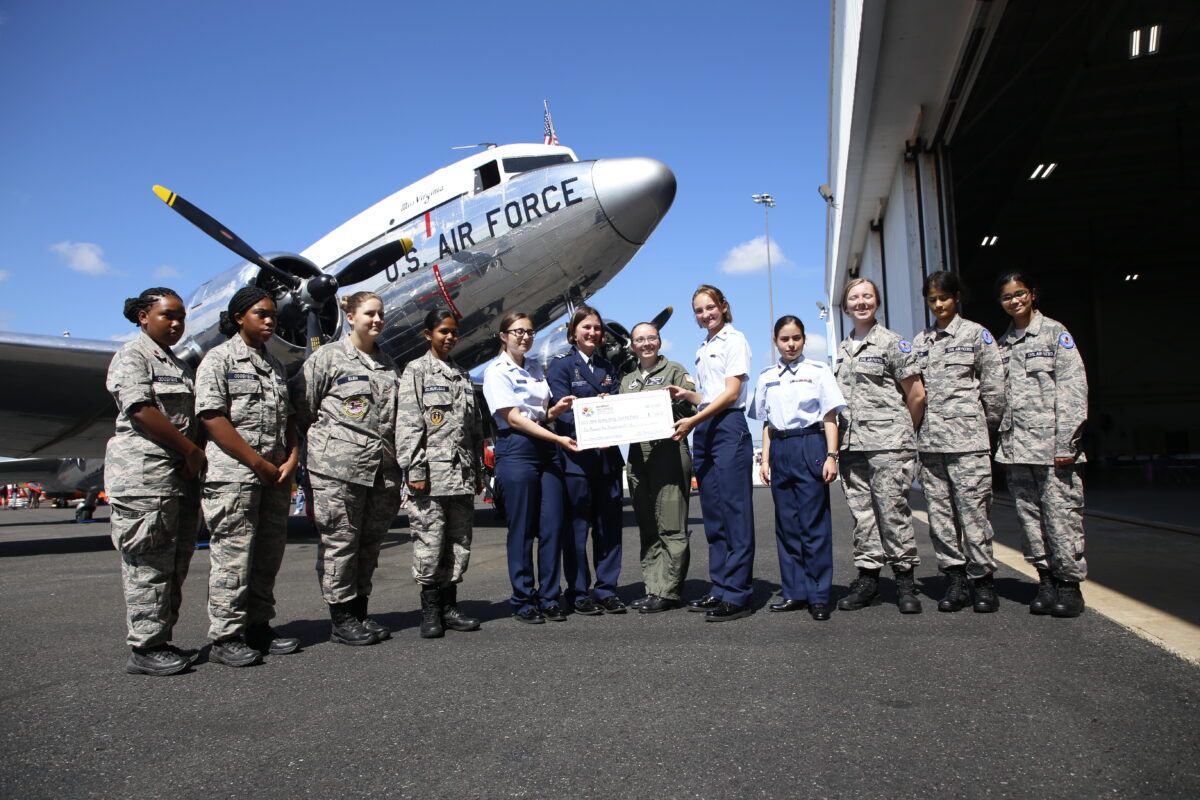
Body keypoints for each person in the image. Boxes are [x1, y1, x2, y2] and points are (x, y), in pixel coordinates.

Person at [195, 287, 301, 667]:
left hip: (274, 477)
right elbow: (212, 417)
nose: (270, 321)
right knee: (233, 557)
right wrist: (257, 463)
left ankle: (258, 626)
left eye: (273, 315)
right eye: (261, 314)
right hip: (235, 476)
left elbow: (289, 420)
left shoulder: (275, 366)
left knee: (267, 556)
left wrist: (293, 458)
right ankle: (226, 636)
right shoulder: (219, 359)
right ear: (240, 317)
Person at [104, 287, 205, 676]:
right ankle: (145, 648)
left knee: (174, 563)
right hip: (145, 478)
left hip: (176, 479)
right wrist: (190, 450)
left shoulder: (177, 364)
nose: (176, 323)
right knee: (148, 565)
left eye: (181, 317)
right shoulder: (133, 355)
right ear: (143, 317)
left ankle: (160, 638)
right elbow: (141, 410)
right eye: (168, 315)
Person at [297, 291, 403, 646]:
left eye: (380, 314)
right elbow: (303, 409)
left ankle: (359, 611)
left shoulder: (388, 365)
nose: (377, 320)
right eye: (370, 313)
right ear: (352, 317)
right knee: (340, 543)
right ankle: (341, 619)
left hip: (381, 471)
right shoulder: (327, 358)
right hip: (337, 471)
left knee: (369, 544)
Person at [995, 271, 1089, 618]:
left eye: (1020, 293)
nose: (1014, 301)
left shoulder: (1054, 333)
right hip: (1016, 449)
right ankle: (1046, 581)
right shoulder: (1003, 344)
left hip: (1052, 448)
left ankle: (1069, 585)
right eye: (1007, 297)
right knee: (1030, 519)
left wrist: (1067, 442)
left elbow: (1073, 388)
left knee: (1062, 517)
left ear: (1032, 294)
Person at [913, 271, 1006, 613]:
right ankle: (954, 581)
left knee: (974, 515)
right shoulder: (920, 342)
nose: (938, 304)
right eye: (932, 299)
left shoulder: (976, 335)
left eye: (944, 297)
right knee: (941, 519)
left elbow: (994, 391)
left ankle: (982, 582)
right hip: (931, 447)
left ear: (957, 297)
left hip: (968, 445)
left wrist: (983, 428)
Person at [834, 277, 926, 614]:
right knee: (863, 515)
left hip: (888, 445)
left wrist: (902, 433)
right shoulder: (842, 349)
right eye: (854, 298)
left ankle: (904, 582)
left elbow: (916, 395)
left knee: (892, 512)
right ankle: (868, 580)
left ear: (877, 302)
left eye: (867, 296)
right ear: (846, 306)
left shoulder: (893, 343)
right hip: (852, 446)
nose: (861, 302)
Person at [482, 311, 578, 624]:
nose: (525, 337)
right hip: (517, 449)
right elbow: (513, 418)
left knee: (552, 526)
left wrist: (555, 411)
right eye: (518, 332)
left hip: (545, 447)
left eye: (530, 332)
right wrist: (557, 437)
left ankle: (549, 597)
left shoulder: (535, 367)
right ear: (503, 336)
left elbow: (539, 413)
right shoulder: (496, 372)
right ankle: (523, 600)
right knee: (522, 529)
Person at [395, 308, 485, 638]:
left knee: (458, 543)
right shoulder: (416, 371)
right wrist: (415, 469)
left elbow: (474, 429)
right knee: (429, 543)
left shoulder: (462, 375)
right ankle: (430, 611)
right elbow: (408, 424)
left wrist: (478, 471)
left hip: (461, 476)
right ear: (428, 335)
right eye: (443, 331)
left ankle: (450, 607)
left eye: (454, 332)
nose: (450, 337)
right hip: (430, 478)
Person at [669, 285, 756, 621]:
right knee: (714, 513)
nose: (705, 314)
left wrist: (693, 419)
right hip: (706, 426)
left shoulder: (735, 340)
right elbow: (709, 395)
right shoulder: (703, 347)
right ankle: (720, 586)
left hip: (728, 426)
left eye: (710, 307)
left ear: (723, 306)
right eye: (699, 310)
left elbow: (731, 393)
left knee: (735, 512)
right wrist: (688, 397)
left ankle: (738, 594)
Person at [750, 315, 845, 622]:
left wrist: (831, 455)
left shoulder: (817, 371)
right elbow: (766, 422)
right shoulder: (766, 376)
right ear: (775, 342)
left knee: (814, 524)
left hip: (810, 444)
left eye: (796, 338)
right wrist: (765, 460)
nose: (791, 344)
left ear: (804, 339)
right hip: (780, 448)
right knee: (787, 525)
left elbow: (830, 416)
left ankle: (819, 595)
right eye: (784, 339)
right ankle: (794, 591)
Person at [547, 305, 627, 616]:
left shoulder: (607, 367)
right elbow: (562, 411)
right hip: (577, 460)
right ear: (573, 332)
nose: (592, 332)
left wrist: (611, 415)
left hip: (607, 459)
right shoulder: (561, 366)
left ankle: (607, 590)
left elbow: (618, 405)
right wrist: (594, 424)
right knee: (577, 531)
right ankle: (578, 592)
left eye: (596, 328)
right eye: (586, 327)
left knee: (609, 529)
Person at [619, 321, 696, 614]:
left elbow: (692, 408)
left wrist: (678, 397)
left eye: (651, 338)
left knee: (672, 524)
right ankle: (653, 587)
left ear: (660, 341)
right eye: (640, 340)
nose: (646, 344)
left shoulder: (675, 371)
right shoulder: (627, 380)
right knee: (648, 524)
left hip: (668, 451)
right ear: (632, 345)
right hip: (638, 455)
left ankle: (669, 590)